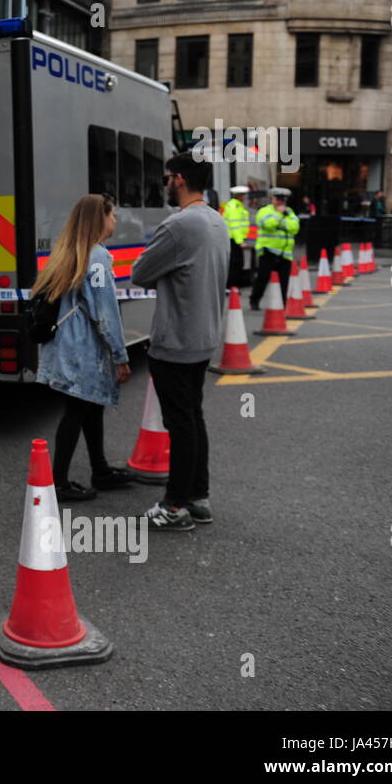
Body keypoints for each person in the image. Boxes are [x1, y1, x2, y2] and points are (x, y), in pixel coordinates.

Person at [129, 152, 228, 531]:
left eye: (168, 177)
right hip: (204, 336)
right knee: (194, 419)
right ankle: (199, 497)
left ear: (181, 179)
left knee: (180, 424)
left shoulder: (179, 225)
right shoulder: (217, 221)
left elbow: (140, 272)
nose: (165, 184)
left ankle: (175, 505)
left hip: (176, 339)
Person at [31, 194, 133, 503]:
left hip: (66, 347)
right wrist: (121, 356)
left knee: (90, 407)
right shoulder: (97, 256)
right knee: (77, 410)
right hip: (81, 350)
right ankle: (58, 481)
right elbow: (105, 312)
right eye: (112, 215)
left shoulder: (69, 252)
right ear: (99, 218)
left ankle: (100, 469)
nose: (115, 220)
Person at [250, 187, 298, 310]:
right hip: (268, 251)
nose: (280, 202)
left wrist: (279, 220)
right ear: (272, 199)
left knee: (284, 282)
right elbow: (268, 225)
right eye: (278, 199)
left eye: (283, 199)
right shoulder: (264, 211)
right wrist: (280, 215)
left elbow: (295, 227)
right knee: (263, 278)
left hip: (285, 253)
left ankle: (282, 305)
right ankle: (254, 301)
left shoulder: (290, 211)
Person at [221, 185, 252, 287]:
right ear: (239, 196)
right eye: (243, 195)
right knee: (235, 264)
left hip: (234, 240)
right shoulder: (235, 207)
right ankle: (230, 286)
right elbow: (236, 225)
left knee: (236, 264)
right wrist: (240, 241)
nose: (244, 197)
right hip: (233, 240)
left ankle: (232, 286)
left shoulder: (236, 205)